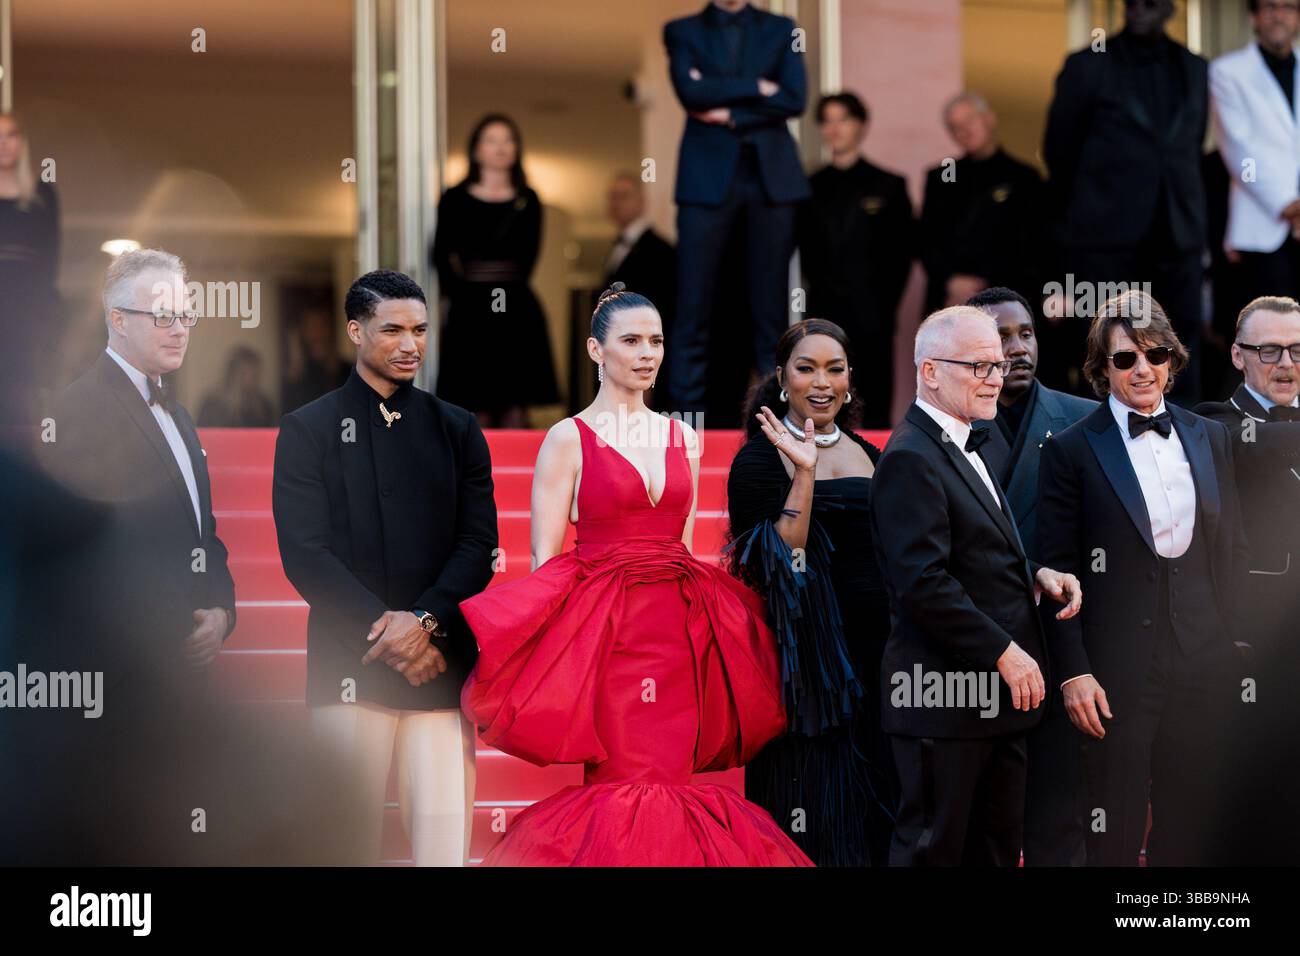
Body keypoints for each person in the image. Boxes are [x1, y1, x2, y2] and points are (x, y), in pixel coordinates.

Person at [459, 282, 811, 866]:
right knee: (623, 780)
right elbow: (546, 565)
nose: (647, 353)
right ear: (597, 351)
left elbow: (683, 546)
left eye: (656, 341)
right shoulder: (567, 438)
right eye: (631, 341)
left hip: (677, 636)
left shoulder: (684, 438)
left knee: (672, 782)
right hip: (609, 636)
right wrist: (573, 660)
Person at [272, 270, 498, 866]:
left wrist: (423, 622)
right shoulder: (307, 429)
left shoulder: (457, 428)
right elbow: (304, 553)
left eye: (420, 330)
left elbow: (478, 546)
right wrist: (390, 633)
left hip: (441, 669)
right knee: (339, 850)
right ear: (355, 330)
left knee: (444, 852)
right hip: (349, 667)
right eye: (392, 329)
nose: (410, 344)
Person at [1037, 290, 1249, 866]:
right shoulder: (1072, 451)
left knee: (1191, 819)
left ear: (1173, 360)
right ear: (1101, 369)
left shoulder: (1211, 437)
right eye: (1124, 358)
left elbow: (1227, 551)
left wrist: (1237, 648)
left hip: (1204, 664)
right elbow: (1056, 573)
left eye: (1154, 355)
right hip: (1116, 674)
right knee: (1114, 824)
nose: (1142, 369)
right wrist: (1074, 671)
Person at [869, 305, 1082, 866]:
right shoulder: (911, 456)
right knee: (933, 854)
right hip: (944, 701)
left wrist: (1033, 572)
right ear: (930, 371)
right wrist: (1004, 652)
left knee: (991, 853)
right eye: (979, 367)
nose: (996, 377)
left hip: (995, 706)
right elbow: (923, 583)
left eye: (998, 364)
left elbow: (970, 551)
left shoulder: (970, 439)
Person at [726, 319, 895, 866]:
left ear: (849, 380)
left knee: (878, 814)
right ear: (781, 378)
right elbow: (779, 564)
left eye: (835, 368)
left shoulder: (872, 454)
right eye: (806, 368)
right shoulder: (756, 459)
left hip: (877, 658)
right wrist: (804, 472)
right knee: (814, 814)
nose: (821, 382)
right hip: (808, 671)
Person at [42, 247, 237, 697]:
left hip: (184, 681)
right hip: (119, 681)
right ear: (118, 320)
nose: (180, 330)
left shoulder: (180, 417)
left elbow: (203, 535)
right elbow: (77, 549)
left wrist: (221, 612)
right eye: (164, 316)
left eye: (187, 317)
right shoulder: (78, 408)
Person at [966, 287, 1097, 867]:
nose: (1016, 349)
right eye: (999, 337)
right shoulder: (948, 429)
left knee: (1059, 818)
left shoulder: (1084, 418)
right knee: (978, 825)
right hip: (977, 652)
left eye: (1026, 334)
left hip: (1063, 647)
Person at [1043, 0, 1208, 403]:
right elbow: (1058, 153)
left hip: (1176, 233)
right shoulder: (1087, 65)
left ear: (1172, 7)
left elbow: (1191, 145)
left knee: (1179, 345)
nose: (1141, 8)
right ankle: (1105, 452)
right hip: (1105, 237)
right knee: (1106, 341)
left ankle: (1182, 447)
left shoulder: (1195, 67)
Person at [664, 0, 810, 416]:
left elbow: (795, 98)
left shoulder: (784, 28)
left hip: (772, 181)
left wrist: (727, 111)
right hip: (704, 182)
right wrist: (760, 88)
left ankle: (776, 420)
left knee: (771, 312)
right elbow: (689, 92)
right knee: (693, 307)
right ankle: (685, 422)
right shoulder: (681, 29)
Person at [432, 113, 559, 427]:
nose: (501, 148)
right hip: (469, 308)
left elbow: (530, 258)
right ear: (476, 150)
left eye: (508, 140)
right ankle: (475, 474)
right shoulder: (454, 199)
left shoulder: (529, 200)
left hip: (517, 308)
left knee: (517, 403)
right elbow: (439, 254)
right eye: (492, 140)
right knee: (474, 404)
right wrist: (459, 295)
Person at [799, 93, 914, 427]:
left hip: (873, 315)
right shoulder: (808, 188)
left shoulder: (889, 186)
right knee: (822, 396)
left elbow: (901, 256)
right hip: (822, 314)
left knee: (875, 401)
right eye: (827, 121)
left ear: (861, 126)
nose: (834, 128)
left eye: (843, 119)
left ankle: (878, 473)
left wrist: (884, 307)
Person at [1195, 295, 1300, 655]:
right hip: (1260, 638)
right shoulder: (1216, 421)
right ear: (1238, 355)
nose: (1286, 364)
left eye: (1297, 350)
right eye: (1270, 351)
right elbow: (1244, 445)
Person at [920, 93, 1044, 314]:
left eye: (969, 121)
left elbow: (1032, 245)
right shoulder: (941, 178)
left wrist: (988, 287)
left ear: (989, 119)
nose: (963, 131)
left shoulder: (1024, 178)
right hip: (950, 303)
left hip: (1007, 302)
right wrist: (950, 280)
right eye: (954, 127)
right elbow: (926, 239)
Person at [1211, 1, 1300, 304]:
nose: (1279, 15)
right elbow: (1240, 151)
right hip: (1262, 226)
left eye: (1289, 7)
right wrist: (1291, 207)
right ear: (1253, 16)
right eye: (1270, 6)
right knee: (1268, 336)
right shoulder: (1227, 71)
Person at [0, 111, 61, 422]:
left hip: (28, 309)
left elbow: (51, 256)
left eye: (11, 134)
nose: (4, 143)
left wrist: (45, 308)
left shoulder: (42, 194)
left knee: (25, 392)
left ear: (21, 142)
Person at [602, 172, 676, 409]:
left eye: (624, 196)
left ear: (642, 202)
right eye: (612, 197)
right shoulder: (617, 247)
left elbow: (659, 314)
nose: (617, 202)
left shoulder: (660, 251)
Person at [197, 345, 275, 427]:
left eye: (255, 373)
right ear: (234, 372)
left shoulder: (264, 406)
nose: (251, 378)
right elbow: (202, 433)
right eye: (244, 372)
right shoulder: (213, 403)